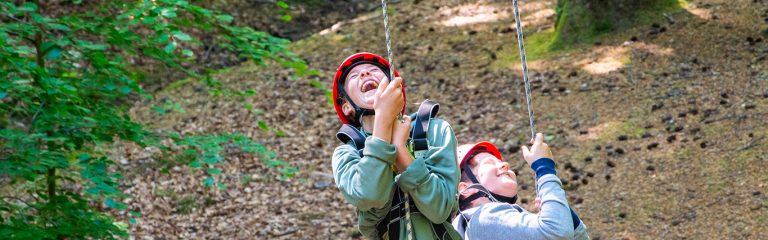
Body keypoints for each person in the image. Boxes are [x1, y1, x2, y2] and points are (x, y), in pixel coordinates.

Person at [330, 52, 460, 239]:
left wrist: (400, 147)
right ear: (346, 106)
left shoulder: (433, 130)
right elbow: (369, 194)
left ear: (396, 89)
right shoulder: (347, 154)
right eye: (354, 75)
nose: (365, 74)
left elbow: (439, 209)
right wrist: (383, 119)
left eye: (374, 70)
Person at [452, 134, 589, 239]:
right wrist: (543, 167)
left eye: (501, 162)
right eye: (489, 163)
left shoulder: (493, 224)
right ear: (465, 188)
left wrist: (562, 212)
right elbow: (558, 231)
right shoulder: (482, 218)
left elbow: (562, 233)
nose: (505, 165)